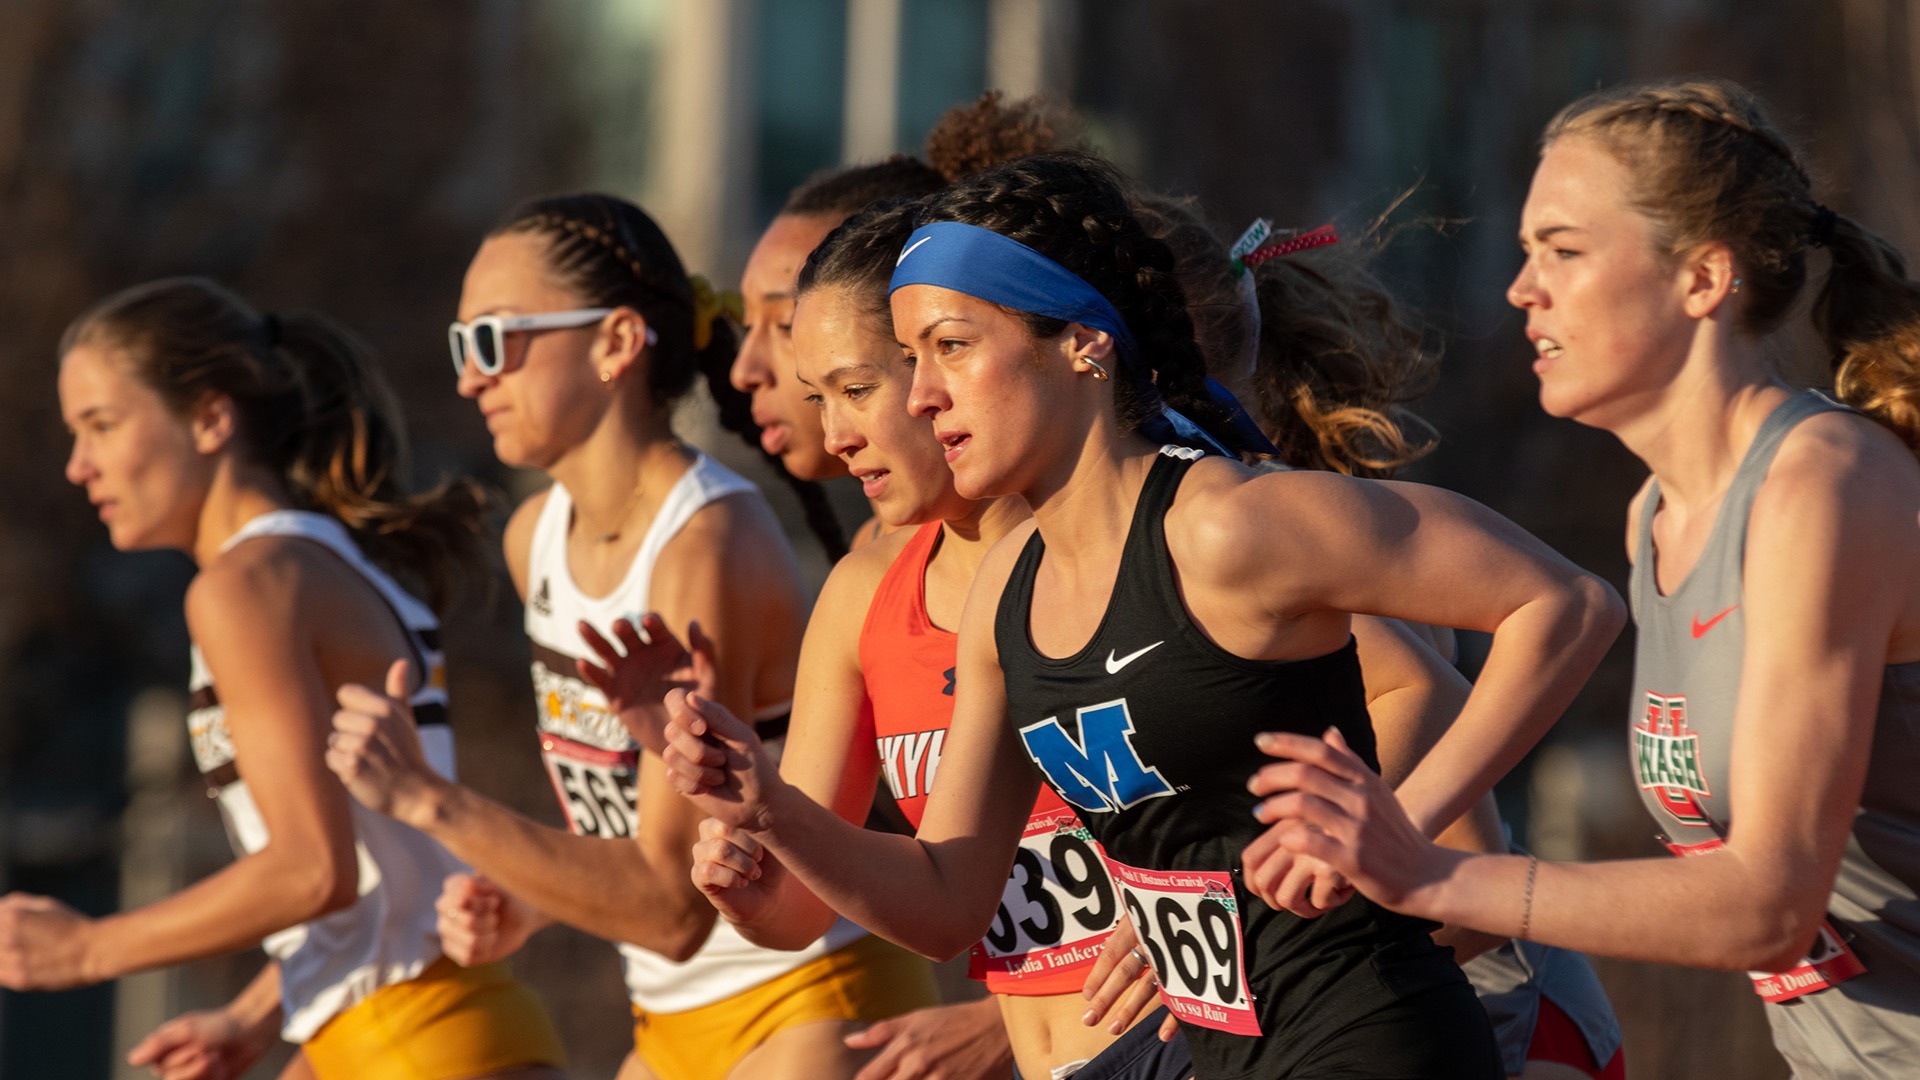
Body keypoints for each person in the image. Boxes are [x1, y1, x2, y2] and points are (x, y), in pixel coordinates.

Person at [660, 149, 1623, 1079]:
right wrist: (771, 808)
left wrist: (1397, 826)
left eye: (950, 348)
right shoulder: (1010, 590)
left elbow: (1567, 604)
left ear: (1083, 342)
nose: (922, 395)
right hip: (1218, 1057)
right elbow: (949, 901)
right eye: (909, 360)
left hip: (1366, 1035)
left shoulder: (1225, 525)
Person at [1250, 75, 1920, 1080]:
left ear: (1703, 279)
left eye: (1563, 251)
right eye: (1527, 253)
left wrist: (1434, 875)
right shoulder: (1659, 517)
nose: (1524, 290)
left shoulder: (1823, 484)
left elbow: (1769, 907)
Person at [322, 193, 937, 1080]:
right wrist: (537, 897)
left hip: (807, 997)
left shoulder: (703, 540)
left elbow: (670, 910)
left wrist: (429, 799)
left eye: (494, 341)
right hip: (663, 1015)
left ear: (614, 343)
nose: (469, 379)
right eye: (461, 347)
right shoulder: (534, 535)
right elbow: (641, 825)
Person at [0, 277, 565, 1079]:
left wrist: (88, 948)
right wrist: (255, 1010)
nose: (77, 466)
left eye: (102, 425)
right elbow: (372, 871)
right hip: (421, 1028)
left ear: (211, 418)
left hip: (414, 1040)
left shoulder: (243, 586)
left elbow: (313, 870)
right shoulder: (323, 561)